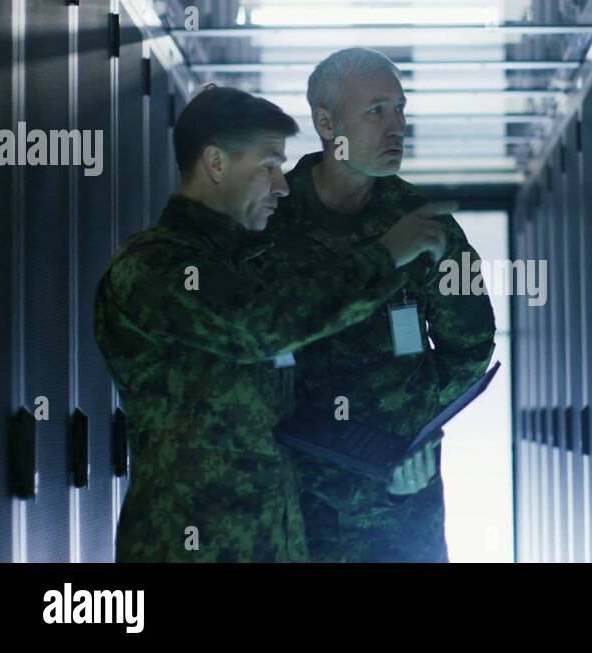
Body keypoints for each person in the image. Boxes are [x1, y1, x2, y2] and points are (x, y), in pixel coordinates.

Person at [93, 85, 450, 562]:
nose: (281, 185)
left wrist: (390, 461)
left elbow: (285, 426)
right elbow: (258, 326)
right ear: (216, 164)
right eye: (268, 166)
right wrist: (387, 255)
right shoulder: (156, 267)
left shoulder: (247, 269)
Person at [266, 48, 497, 562]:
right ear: (326, 123)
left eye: (400, 109)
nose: (396, 126)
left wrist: (415, 426)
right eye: (376, 111)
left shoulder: (426, 226)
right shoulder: (267, 218)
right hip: (290, 498)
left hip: (398, 504)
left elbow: (472, 345)